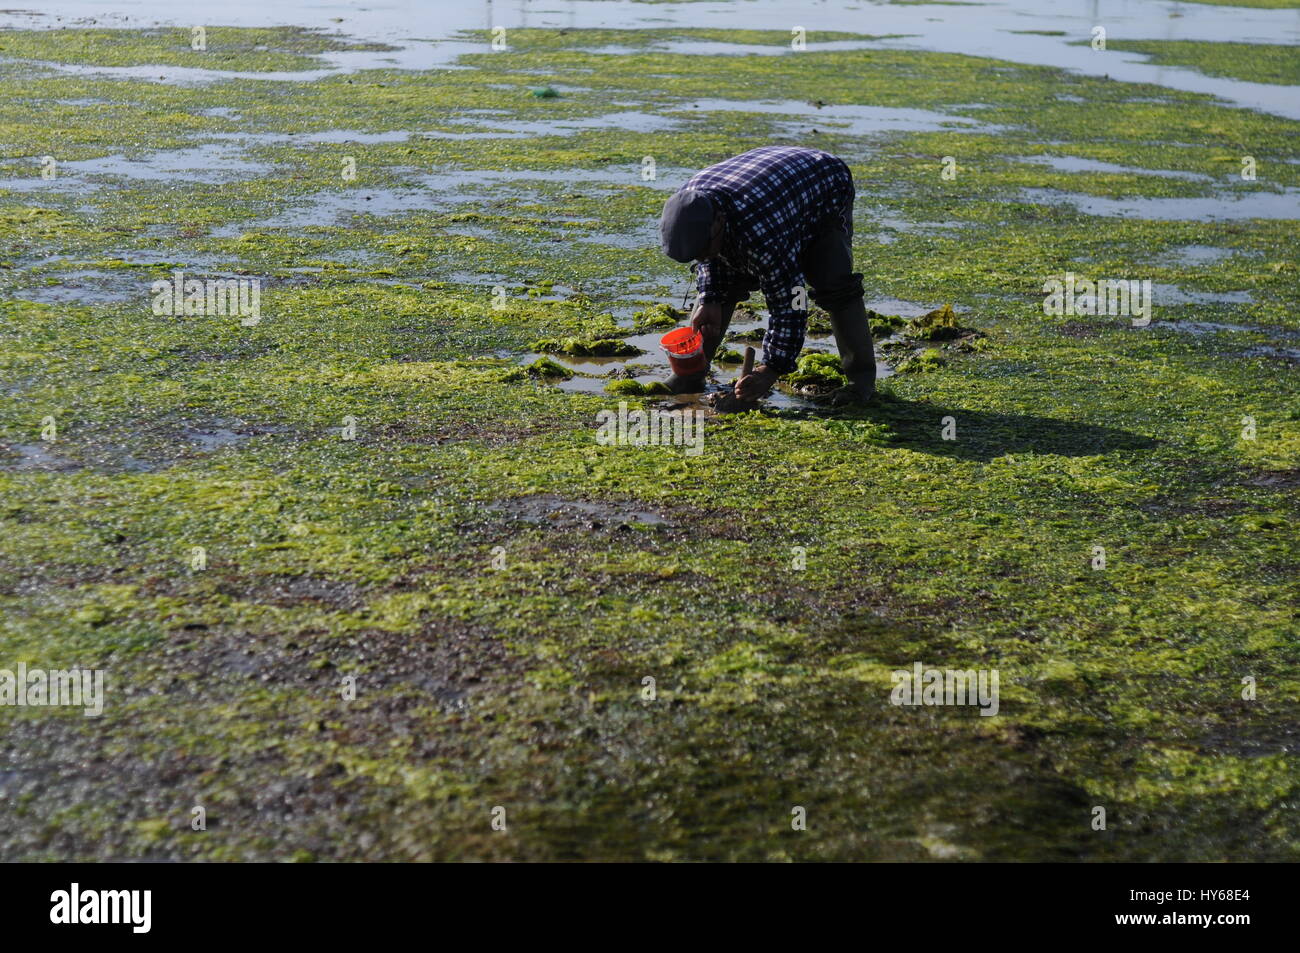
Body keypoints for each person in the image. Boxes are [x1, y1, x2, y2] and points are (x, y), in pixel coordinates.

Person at [658, 145, 875, 405]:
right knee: (719, 286)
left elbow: (792, 303)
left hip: (822, 183)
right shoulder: (688, 203)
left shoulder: (763, 235)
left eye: (704, 249)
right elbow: (709, 256)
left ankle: (860, 382)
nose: (702, 258)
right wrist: (709, 297)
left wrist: (770, 370)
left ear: (718, 222)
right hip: (763, 185)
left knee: (833, 282)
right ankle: (691, 376)